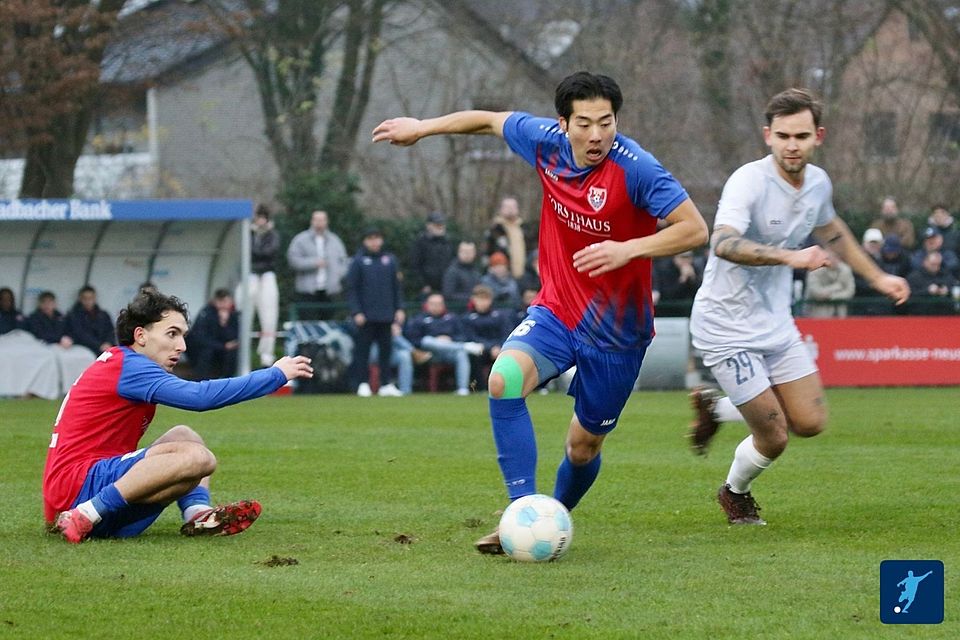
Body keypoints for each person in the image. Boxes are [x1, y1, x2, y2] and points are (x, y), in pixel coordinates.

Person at [374, 70, 708, 554]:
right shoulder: (544, 142)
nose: (597, 135)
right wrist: (422, 127)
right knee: (503, 379)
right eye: (585, 123)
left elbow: (695, 229)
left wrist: (629, 249)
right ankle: (522, 512)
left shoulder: (637, 168)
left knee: (583, 446)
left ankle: (553, 514)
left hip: (618, 332)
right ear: (563, 123)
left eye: (607, 123)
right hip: (557, 308)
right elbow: (488, 121)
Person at [687, 88, 910, 525]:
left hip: (775, 322)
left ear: (818, 136)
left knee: (810, 422)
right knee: (774, 436)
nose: (792, 144)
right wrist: (791, 256)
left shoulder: (819, 183)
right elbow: (723, 242)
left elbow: (833, 231)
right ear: (768, 135)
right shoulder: (747, 181)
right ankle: (735, 493)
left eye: (801, 135)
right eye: (784, 135)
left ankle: (716, 409)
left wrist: (878, 277)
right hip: (724, 325)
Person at [43, 288, 314, 543]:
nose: (181, 345)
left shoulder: (122, 362)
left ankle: (197, 515)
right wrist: (275, 374)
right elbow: (200, 397)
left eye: (183, 335)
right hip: (77, 488)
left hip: (79, 484)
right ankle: (85, 514)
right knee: (198, 457)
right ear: (141, 336)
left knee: (186, 435)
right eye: (172, 334)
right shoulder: (131, 366)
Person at [345, 226, 404, 397]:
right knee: (362, 352)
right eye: (371, 238)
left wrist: (399, 308)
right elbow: (352, 289)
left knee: (386, 352)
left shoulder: (389, 260)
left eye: (377, 238)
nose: (374, 242)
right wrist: (356, 311)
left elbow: (396, 287)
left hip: (386, 315)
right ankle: (362, 383)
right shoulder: (358, 261)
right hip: (366, 316)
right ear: (365, 241)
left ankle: (385, 384)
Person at [403, 293, 482, 396]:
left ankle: (462, 389)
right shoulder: (419, 319)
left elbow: (462, 336)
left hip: (449, 353)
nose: (436, 306)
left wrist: (450, 339)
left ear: (443, 305)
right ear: (427, 304)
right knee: (427, 340)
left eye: (438, 304)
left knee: (461, 354)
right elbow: (414, 340)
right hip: (429, 354)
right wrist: (437, 340)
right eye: (433, 304)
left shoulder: (452, 318)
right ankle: (466, 346)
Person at [26, 290, 96, 395]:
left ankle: (85, 387)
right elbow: (39, 334)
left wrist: (69, 339)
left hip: (66, 345)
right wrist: (59, 339)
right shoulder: (34, 317)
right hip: (47, 345)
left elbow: (72, 331)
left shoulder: (61, 316)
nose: (47, 305)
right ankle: (63, 389)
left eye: (50, 302)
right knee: (57, 358)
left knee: (86, 355)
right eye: (44, 302)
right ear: (40, 304)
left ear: (54, 303)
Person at [238, 203, 281, 367]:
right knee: (244, 311)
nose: (260, 221)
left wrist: (257, 252)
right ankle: (242, 357)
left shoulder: (273, 234)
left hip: (267, 275)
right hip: (251, 275)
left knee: (269, 316)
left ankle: (266, 356)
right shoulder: (247, 233)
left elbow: (270, 252)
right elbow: (245, 252)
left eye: (263, 217)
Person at [286, 210, 349, 320]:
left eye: (322, 220)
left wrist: (338, 275)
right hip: (307, 291)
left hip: (330, 292)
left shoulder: (335, 240)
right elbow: (293, 260)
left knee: (328, 325)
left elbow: (344, 262)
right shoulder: (300, 240)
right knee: (309, 325)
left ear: (327, 221)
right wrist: (313, 263)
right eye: (316, 219)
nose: (319, 223)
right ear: (312, 221)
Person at [461, 285, 514, 388]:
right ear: (473, 300)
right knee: (474, 356)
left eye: (486, 299)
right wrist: (490, 348)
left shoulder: (500, 316)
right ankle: (480, 387)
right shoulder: (467, 318)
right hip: (481, 350)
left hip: (500, 349)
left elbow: (506, 334)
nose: (483, 302)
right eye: (480, 299)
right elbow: (470, 337)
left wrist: (499, 346)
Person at [186, 289, 239, 379]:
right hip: (204, 347)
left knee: (232, 353)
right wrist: (223, 346)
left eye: (227, 301)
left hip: (221, 348)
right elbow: (200, 338)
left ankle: (228, 378)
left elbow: (233, 336)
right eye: (222, 301)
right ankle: (201, 379)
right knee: (206, 352)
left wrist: (224, 324)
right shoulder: (207, 313)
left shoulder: (232, 315)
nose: (225, 305)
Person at [409, 211, 455, 299]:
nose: (440, 226)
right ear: (429, 226)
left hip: (445, 287)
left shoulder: (448, 242)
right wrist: (423, 285)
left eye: (441, 224)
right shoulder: (420, 242)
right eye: (436, 224)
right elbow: (415, 265)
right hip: (427, 289)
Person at [484, 196, 530, 280]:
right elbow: (487, 252)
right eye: (507, 207)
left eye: (513, 207)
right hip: (501, 276)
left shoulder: (524, 228)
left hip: (523, 274)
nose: (510, 210)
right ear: (501, 209)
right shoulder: (495, 229)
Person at [65, 285, 116, 355]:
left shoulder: (104, 315)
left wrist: (108, 343)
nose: (88, 301)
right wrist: (99, 345)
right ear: (80, 299)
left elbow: (111, 331)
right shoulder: (73, 315)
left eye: (90, 298)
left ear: (95, 298)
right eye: (85, 298)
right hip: (86, 349)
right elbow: (80, 334)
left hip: (106, 348)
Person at [442, 240, 482, 308]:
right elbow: (448, 295)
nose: (467, 254)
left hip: (474, 309)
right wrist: (471, 298)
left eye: (470, 252)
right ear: (459, 252)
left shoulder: (476, 271)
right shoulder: (452, 271)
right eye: (465, 252)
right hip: (458, 311)